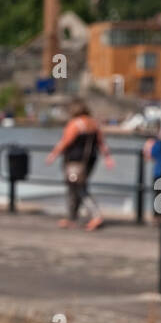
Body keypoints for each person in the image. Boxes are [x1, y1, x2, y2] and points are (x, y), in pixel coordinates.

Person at [46, 98, 114, 230]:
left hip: (75, 161)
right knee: (76, 187)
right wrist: (108, 158)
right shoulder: (94, 124)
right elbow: (101, 143)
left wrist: (53, 154)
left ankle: (95, 216)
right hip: (89, 161)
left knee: (78, 188)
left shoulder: (75, 124)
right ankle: (72, 217)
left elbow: (65, 141)